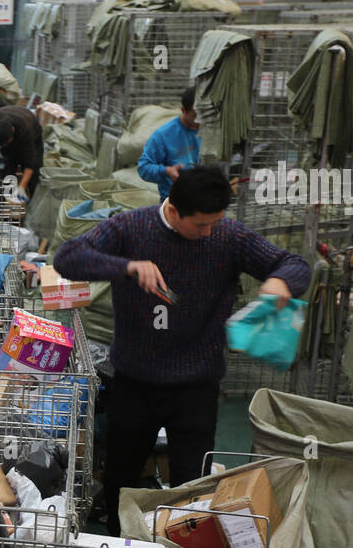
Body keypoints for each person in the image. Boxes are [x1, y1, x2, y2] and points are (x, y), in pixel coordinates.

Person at [52, 165, 311, 524]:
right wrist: (127, 266)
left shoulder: (227, 236)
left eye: (214, 223)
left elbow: (293, 263)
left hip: (196, 385)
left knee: (193, 483)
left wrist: (282, 283)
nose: (208, 232)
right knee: (121, 477)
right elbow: (67, 259)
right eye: (200, 225)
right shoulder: (131, 227)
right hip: (134, 380)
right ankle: (120, 543)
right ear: (173, 210)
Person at [139, 86, 201, 200]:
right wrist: (166, 171)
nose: (200, 119)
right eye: (196, 115)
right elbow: (143, 168)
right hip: (174, 203)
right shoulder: (163, 135)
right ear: (183, 110)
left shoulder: (210, 130)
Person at [0, 104, 44, 203]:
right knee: (7, 169)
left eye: (7, 143)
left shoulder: (26, 132)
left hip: (33, 131)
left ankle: (33, 207)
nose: (6, 145)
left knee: (35, 175)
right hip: (8, 120)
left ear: (13, 130)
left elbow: (30, 165)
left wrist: (21, 187)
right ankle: (9, 205)